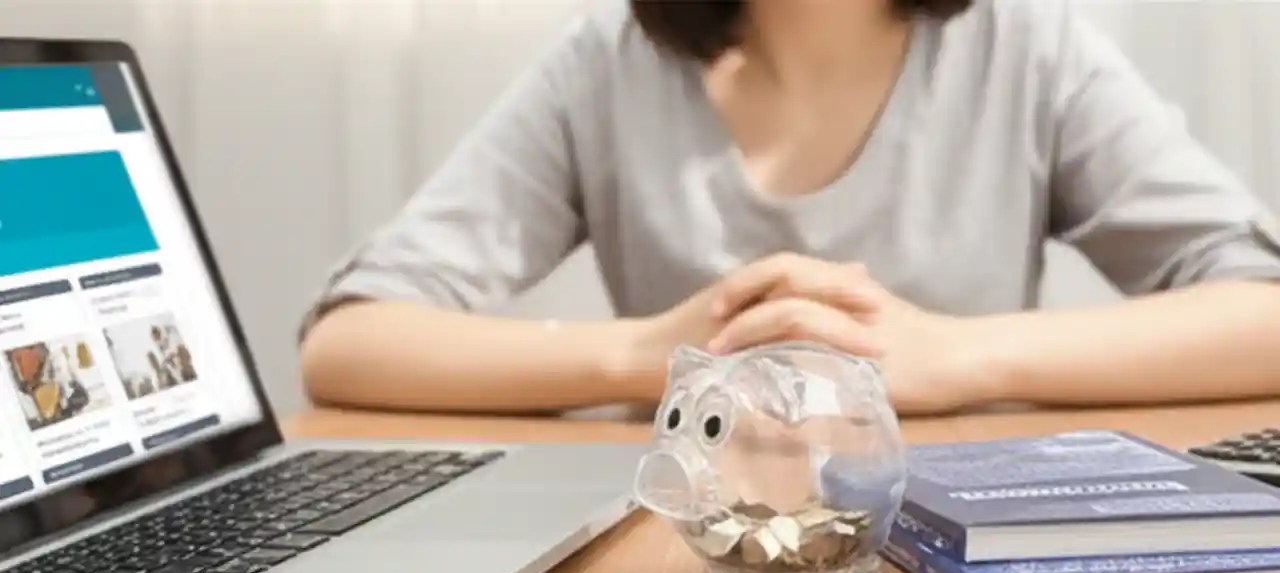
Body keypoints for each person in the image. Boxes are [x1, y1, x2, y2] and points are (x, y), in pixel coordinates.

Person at [300, 0, 1280, 417]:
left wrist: (956, 355)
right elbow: (349, 343)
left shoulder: (1024, 46)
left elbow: (1260, 312)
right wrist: (643, 357)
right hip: (684, 555)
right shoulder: (605, 67)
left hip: (955, 551)